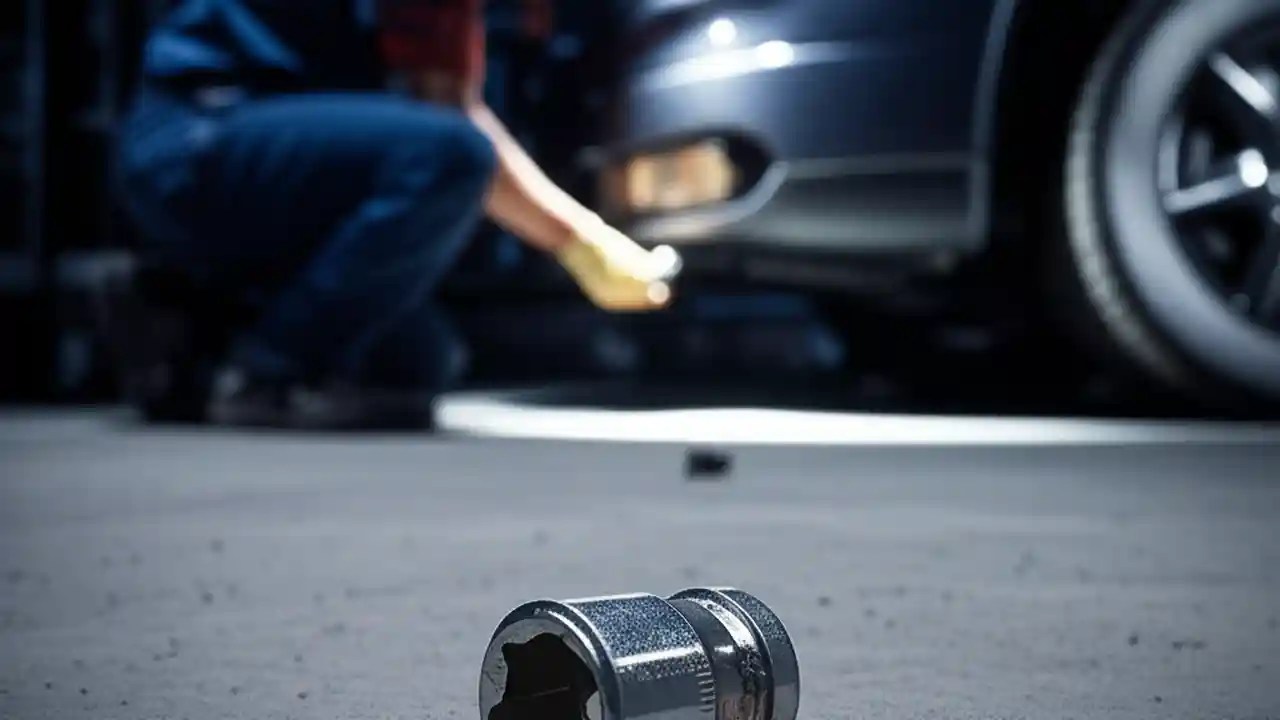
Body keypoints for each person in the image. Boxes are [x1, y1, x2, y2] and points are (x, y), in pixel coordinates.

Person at [118, 0, 677, 429]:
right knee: (451, 155)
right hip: (205, 140)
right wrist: (581, 240)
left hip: (271, 167)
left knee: (414, 363)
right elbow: (451, 111)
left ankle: (191, 336)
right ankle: (263, 375)